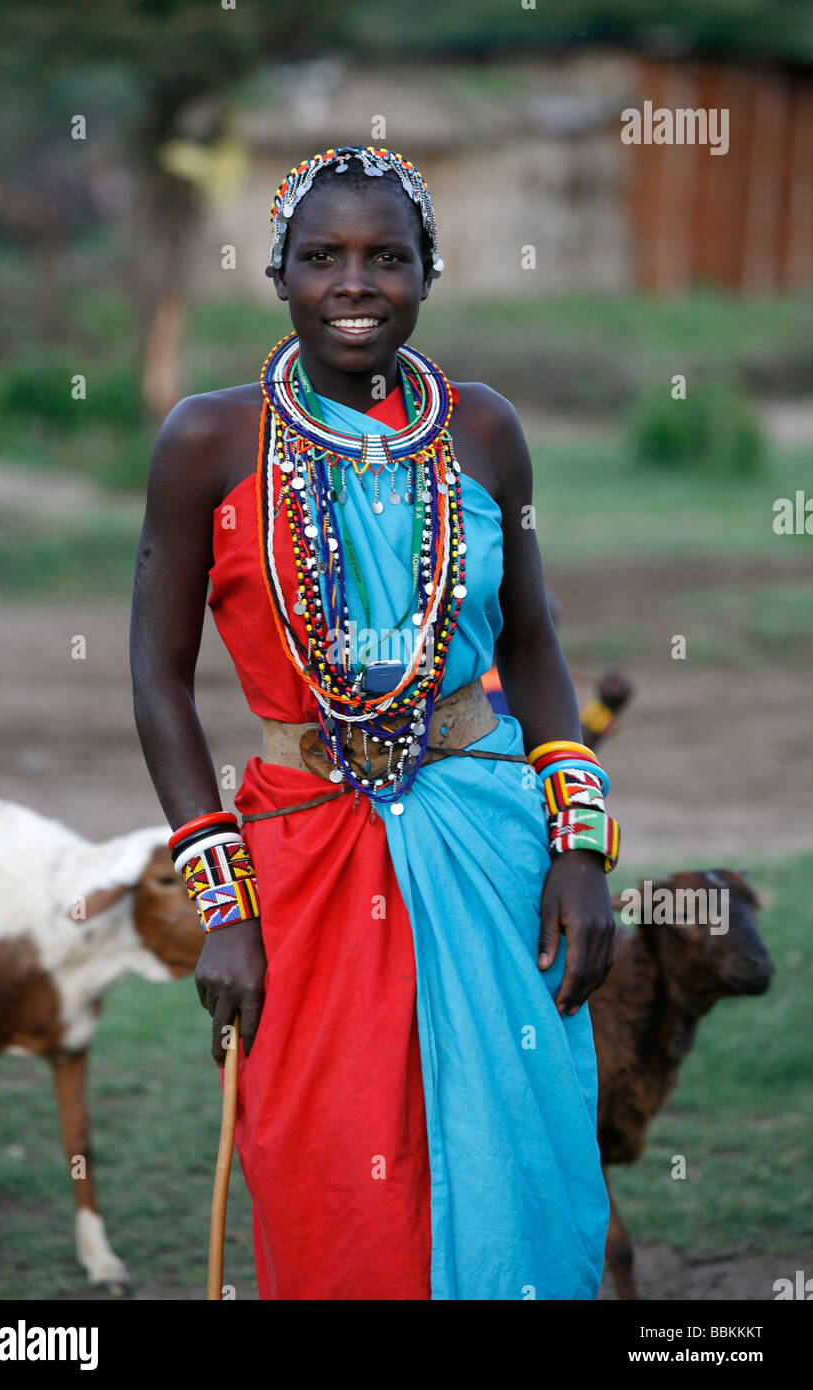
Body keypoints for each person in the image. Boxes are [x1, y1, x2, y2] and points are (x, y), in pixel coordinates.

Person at [129, 145, 618, 1301]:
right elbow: (154, 678)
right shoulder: (207, 441)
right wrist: (224, 906)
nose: (356, 283)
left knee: (520, 1143)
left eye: (387, 257)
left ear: (427, 273)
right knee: (328, 1167)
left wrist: (580, 845)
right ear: (280, 273)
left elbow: (534, 644)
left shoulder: (483, 433)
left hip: (488, 840)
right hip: (299, 855)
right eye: (323, 257)